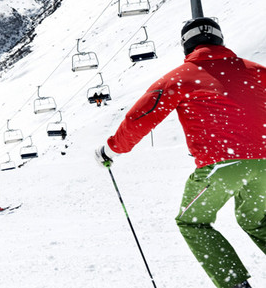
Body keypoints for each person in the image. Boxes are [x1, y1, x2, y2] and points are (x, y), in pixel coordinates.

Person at [95, 17, 266, 288]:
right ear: (220, 40)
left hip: (221, 166)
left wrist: (111, 149)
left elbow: (141, 118)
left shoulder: (181, 77)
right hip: (264, 166)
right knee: (255, 220)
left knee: (193, 222)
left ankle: (235, 284)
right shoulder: (257, 71)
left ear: (186, 46)